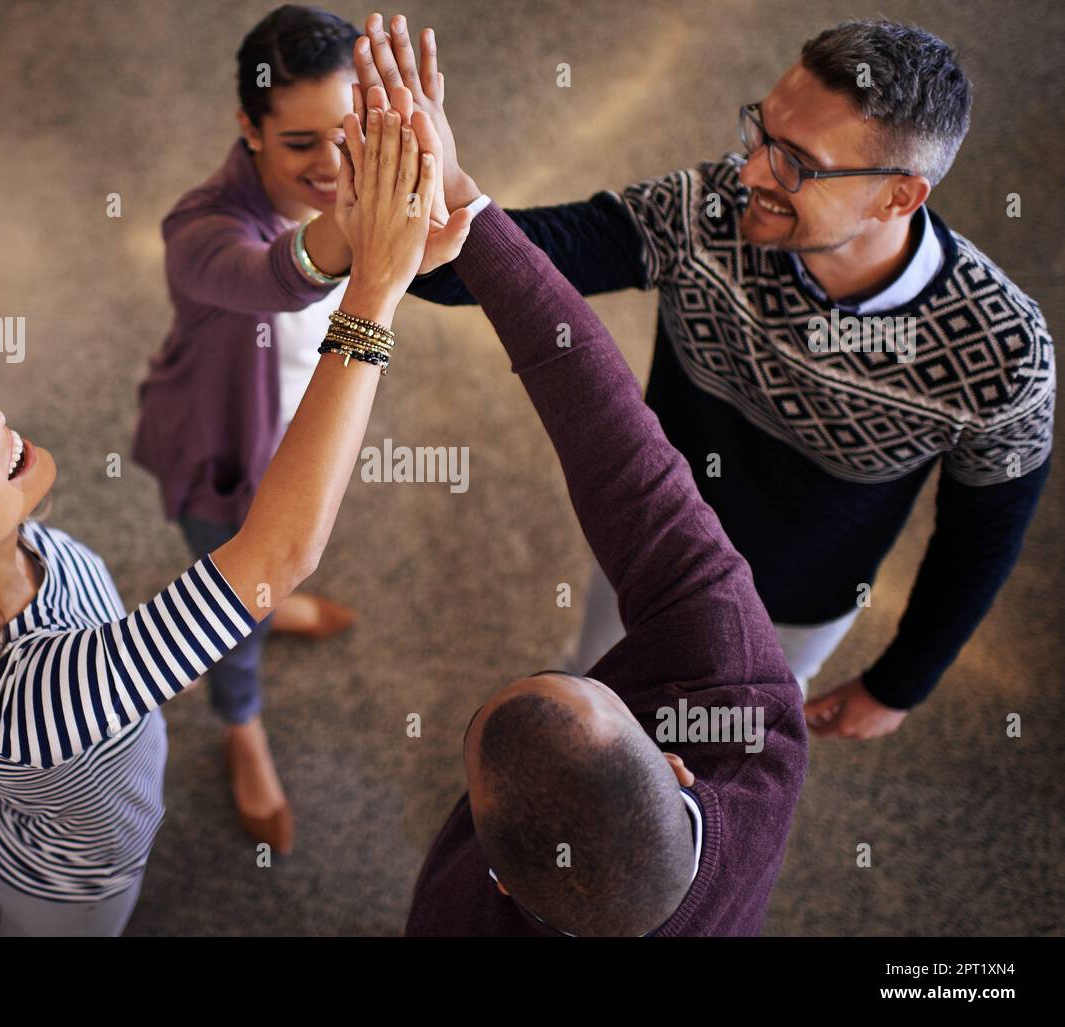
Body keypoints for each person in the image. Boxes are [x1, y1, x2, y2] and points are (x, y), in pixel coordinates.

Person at [0, 93, 465, 936]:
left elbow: (232, 581)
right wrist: (376, 292)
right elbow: (276, 554)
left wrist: (359, 240)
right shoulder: (33, 696)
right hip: (75, 886)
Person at [362, 14, 1055, 740]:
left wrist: (900, 682)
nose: (750, 170)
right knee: (595, 703)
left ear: (898, 197)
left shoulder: (1002, 354)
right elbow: (498, 270)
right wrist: (424, 189)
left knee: (727, 751)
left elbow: (981, 539)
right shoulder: (709, 211)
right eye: (759, 129)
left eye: (794, 161)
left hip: (795, 605)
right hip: (646, 547)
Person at [342, 24, 806, 936]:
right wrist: (470, 210)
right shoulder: (753, 720)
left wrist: (365, 303)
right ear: (676, 765)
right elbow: (626, 461)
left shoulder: (452, 920)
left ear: (501, 886)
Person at [131, 5, 362, 852]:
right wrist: (369, 221)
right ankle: (242, 730)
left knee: (272, 578)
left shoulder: (344, 181)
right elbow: (278, 274)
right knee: (233, 607)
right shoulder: (199, 230)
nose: (332, 167)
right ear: (249, 128)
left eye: (349, 134)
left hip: (292, 434)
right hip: (219, 464)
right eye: (301, 143)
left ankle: (277, 602)